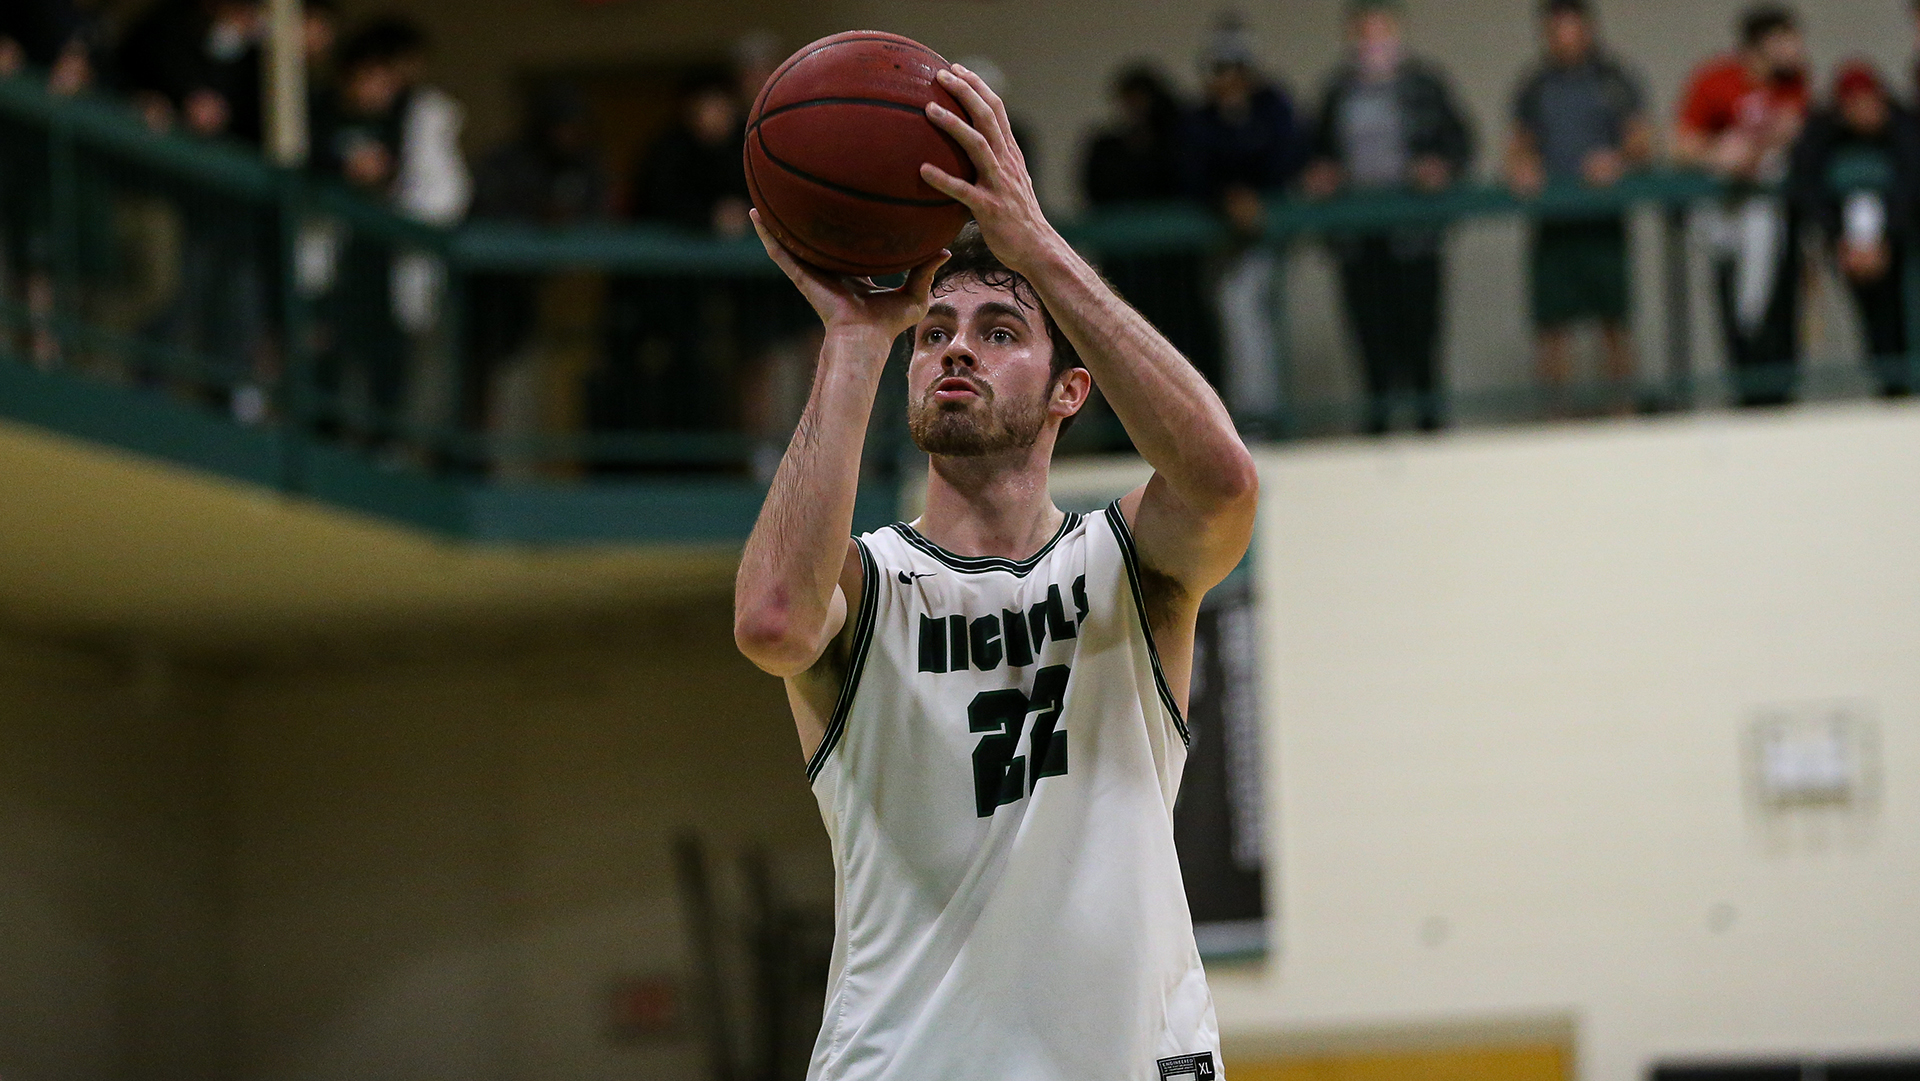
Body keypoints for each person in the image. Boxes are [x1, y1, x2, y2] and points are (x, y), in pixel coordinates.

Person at [733, 63, 1256, 1081]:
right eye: (936, 333)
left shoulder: (1130, 563)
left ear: (1071, 391)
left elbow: (1224, 481)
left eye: (998, 331)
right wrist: (853, 338)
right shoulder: (870, 583)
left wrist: (1036, 245)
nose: (954, 350)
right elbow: (770, 621)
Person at [1303, 0, 1475, 434]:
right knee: (1369, 341)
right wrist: (1323, 175)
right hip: (1359, 241)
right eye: (1365, 34)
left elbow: (1459, 140)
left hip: (1415, 236)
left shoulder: (1425, 85)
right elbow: (1314, 151)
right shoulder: (1336, 92)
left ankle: (1429, 427)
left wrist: (1439, 167)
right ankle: (1376, 430)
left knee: (1421, 336)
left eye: (1382, 33)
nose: (1373, 44)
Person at [309, 16, 469, 443]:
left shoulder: (417, 119)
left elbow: (445, 196)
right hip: (332, 258)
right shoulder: (317, 112)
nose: (384, 87)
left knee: (388, 361)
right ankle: (322, 438)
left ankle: (385, 448)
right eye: (375, 76)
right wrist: (343, 167)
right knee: (325, 352)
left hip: (388, 261)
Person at [1506, 0, 1652, 416]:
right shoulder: (1534, 84)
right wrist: (1523, 166)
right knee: (1552, 328)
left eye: (1573, 29)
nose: (1565, 39)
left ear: (1587, 30)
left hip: (1603, 221)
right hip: (1553, 224)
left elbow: (1643, 139)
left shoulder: (1615, 79)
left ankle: (1623, 415)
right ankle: (1557, 421)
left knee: (1614, 323)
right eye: (1556, 31)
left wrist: (1616, 160)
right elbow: (1516, 145)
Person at [597, 67, 748, 439]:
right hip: (649, 291)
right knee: (637, 376)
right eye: (705, 106)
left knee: (697, 371)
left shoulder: (744, 149)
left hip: (707, 298)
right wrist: (709, 217)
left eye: (720, 106)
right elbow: (660, 200)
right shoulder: (666, 149)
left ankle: (698, 464)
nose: (714, 115)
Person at [1674, 4, 1811, 407]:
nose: (1797, 48)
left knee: (1781, 311)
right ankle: (1747, 394)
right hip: (1727, 220)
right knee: (1737, 314)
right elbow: (1681, 144)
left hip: (1777, 221)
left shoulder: (1793, 83)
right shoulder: (1716, 79)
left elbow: (1794, 130)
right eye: (1788, 38)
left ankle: (1781, 395)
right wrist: (1720, 152)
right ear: (1763, 43)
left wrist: (1761, 146)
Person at [1082, 63, 1220, 436]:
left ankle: (1196, 431)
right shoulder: (1107, 146)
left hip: (1176, 278)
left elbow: (1192, 182)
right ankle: (1120, 436)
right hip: (1125, 277)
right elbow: (1095, 190)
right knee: (1120, 354)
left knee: (1180, 353)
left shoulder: (1179, 145)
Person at [1182, 15, 1306, 422]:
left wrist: (1260, 197)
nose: (1230, 78)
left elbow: (1289, 155)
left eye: (1238, 67)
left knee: (1261, 310)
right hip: (1222, 238)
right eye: (1221, 68)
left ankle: (1265, 413)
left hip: (1275, 230)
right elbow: (1191, 171)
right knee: (1234, 307)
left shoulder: (1274, 105)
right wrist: (1225, 197)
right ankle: (1250, 415)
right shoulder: (1201, 119)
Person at [1790, 61, 1920, 397]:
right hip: (1851, 247)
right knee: (1876, 324)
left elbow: (1910, 183)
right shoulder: (1824, 135)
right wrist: (1838, 238)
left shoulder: (1903, 128)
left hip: (1901, 245)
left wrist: (1889, 236)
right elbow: (1807, 183)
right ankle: (1890, 387)